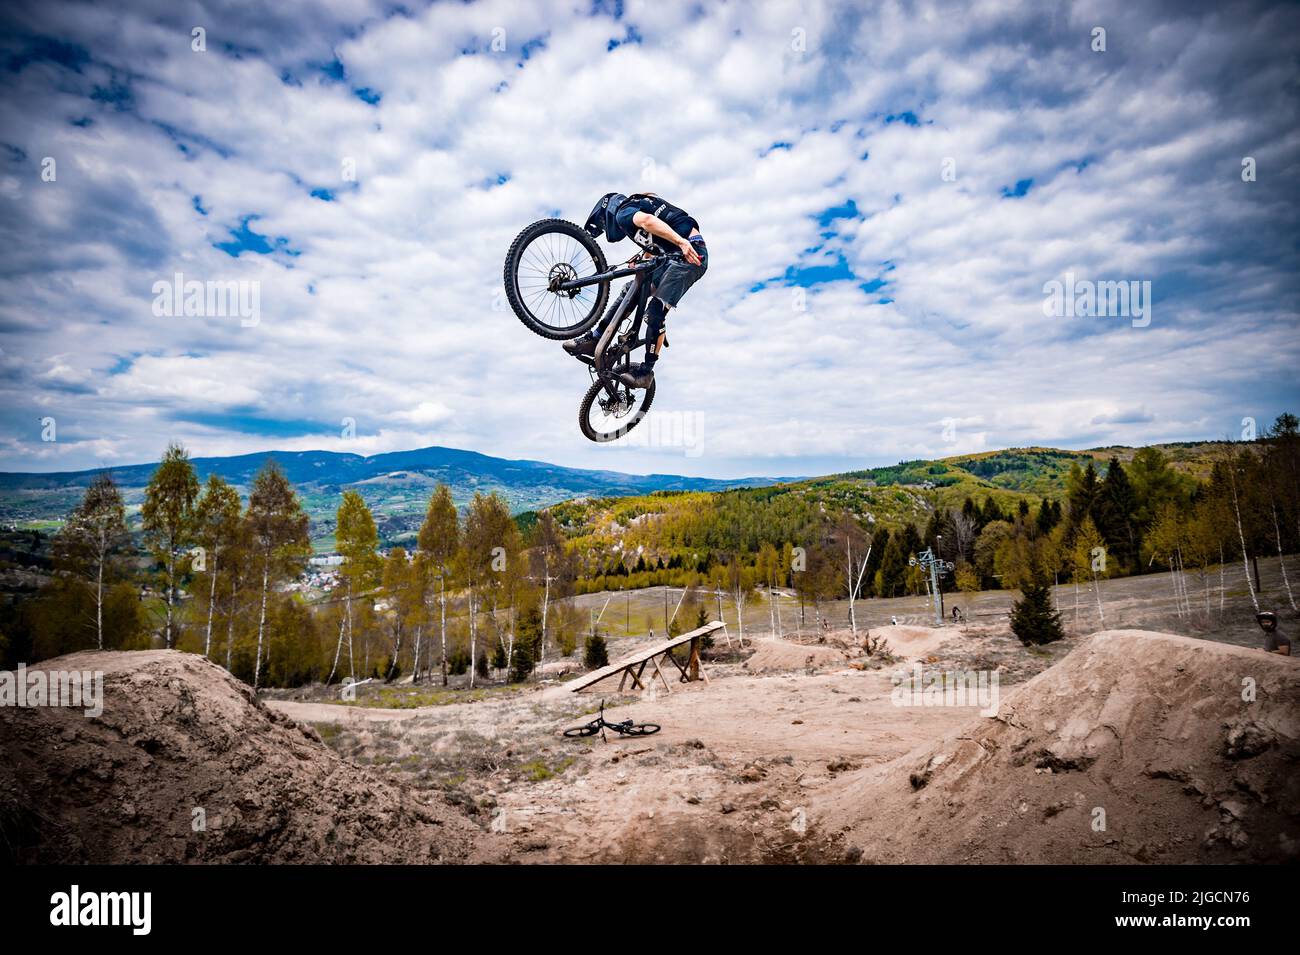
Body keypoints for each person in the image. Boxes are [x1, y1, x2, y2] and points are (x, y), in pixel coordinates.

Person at [568, 192, 708, 387]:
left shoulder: (624, 212)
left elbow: (648, 221)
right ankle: (597, 337)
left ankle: (646, 373)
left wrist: (681, 242)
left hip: (689, 255)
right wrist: (643, 261)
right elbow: (654, 241)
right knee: (631, 290)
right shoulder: (643, 203)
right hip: (671, 256)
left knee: (654, 313)